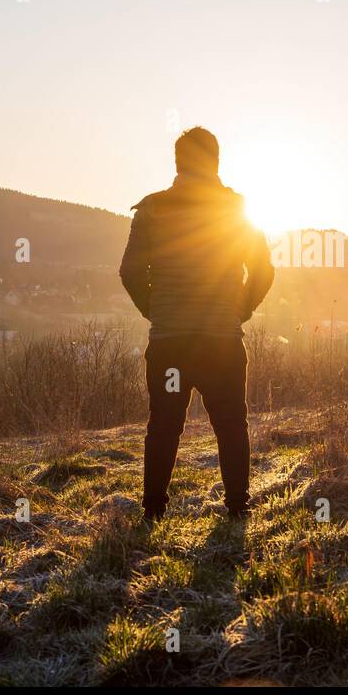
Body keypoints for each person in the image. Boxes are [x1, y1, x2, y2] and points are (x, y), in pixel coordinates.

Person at [119, 126, 274, 523]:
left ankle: (153, 511)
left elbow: (130, 272)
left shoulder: (152, 210)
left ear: (177, 162)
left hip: (170, 343)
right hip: (221, 341)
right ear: (217, 162)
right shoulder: (235, 209)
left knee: (164, 425)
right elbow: (262, 270)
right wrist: (239, 309)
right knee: (230, 424)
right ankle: (238, 508)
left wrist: (158, 311)